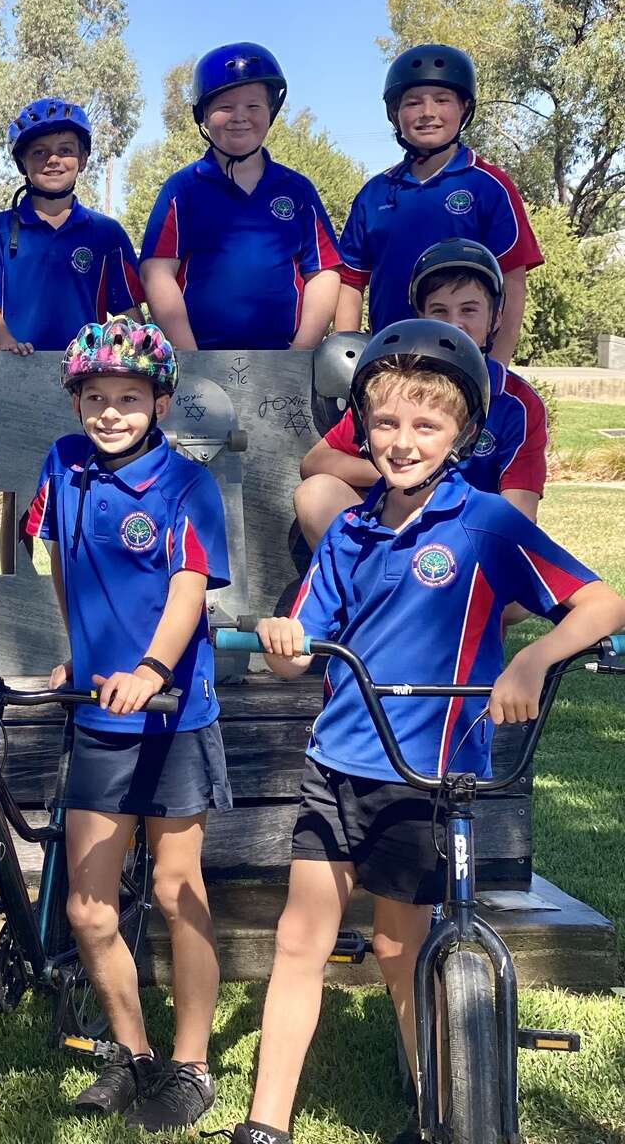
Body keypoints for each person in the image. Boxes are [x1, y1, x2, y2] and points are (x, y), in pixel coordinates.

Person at [215, 321, 625, 1144]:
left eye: (426, 424)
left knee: (402, 948)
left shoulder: (486, 525)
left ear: (462, 434)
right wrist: (285, 644)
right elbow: (300, 654)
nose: (403, 442)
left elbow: (601, 602)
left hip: (425, 776)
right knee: (300, 939)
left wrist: (531, 661)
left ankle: (442, 1111)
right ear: (363, 428)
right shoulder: (350, 533)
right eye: (387, 423)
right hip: (337, 765)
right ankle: (266, 1124)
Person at [25, 317, 232, 1131]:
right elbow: (58, 557)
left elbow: (188, 591)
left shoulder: (188, 486)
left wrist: (150, 670)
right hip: (100, 717)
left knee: (178, 892)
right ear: (77, 401)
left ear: (161, 404)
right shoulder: (62, 464)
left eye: (130, 398)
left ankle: (192, 1066)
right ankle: (133, 1054)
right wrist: (78, 655)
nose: (111, 412)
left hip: (173, 715)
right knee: (87, 907)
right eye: (96, 397)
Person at [295, 238, 547, 550]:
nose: (454, 324)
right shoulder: (394, 382)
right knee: (316, 492)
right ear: (421, 317)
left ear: (495, 317)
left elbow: (520, 514)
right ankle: (370, 578)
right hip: (392, 530)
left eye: (469, 310)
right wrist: (399, 470)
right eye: (439, 311)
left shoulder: (518, 403)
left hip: (470, 540)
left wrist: (439, 485)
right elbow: (316, 461)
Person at [334, 44, 543, 365]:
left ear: (464, 108)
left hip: (464, 365)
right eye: (413, 102)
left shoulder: (489, 186)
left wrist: (496, 368)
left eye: (442, 100)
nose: (428, 112)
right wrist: (347, 360)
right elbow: (351, 282)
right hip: (389, 363)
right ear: (395, 113)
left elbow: (512, 286)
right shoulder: (374, 194)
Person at [140, 43, 341, 351]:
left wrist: (301, 353)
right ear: (203, 116)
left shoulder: (297, 190)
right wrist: (189, 357)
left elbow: (323, 273)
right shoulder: (182, 189)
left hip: (283, 358)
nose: (240, 117)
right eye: (225, 107)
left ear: (271, 111)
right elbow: (157, 273)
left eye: (253, 106)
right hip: (200, 356)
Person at [0, 99, 143, 356]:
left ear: (83, 159)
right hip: (14, 368)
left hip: (87, 372)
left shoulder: (107, 233)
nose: (53, 159)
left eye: (65, 150)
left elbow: (128, 310)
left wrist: (143, 353)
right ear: (22, 162)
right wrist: (5, 342)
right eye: (39, 152)